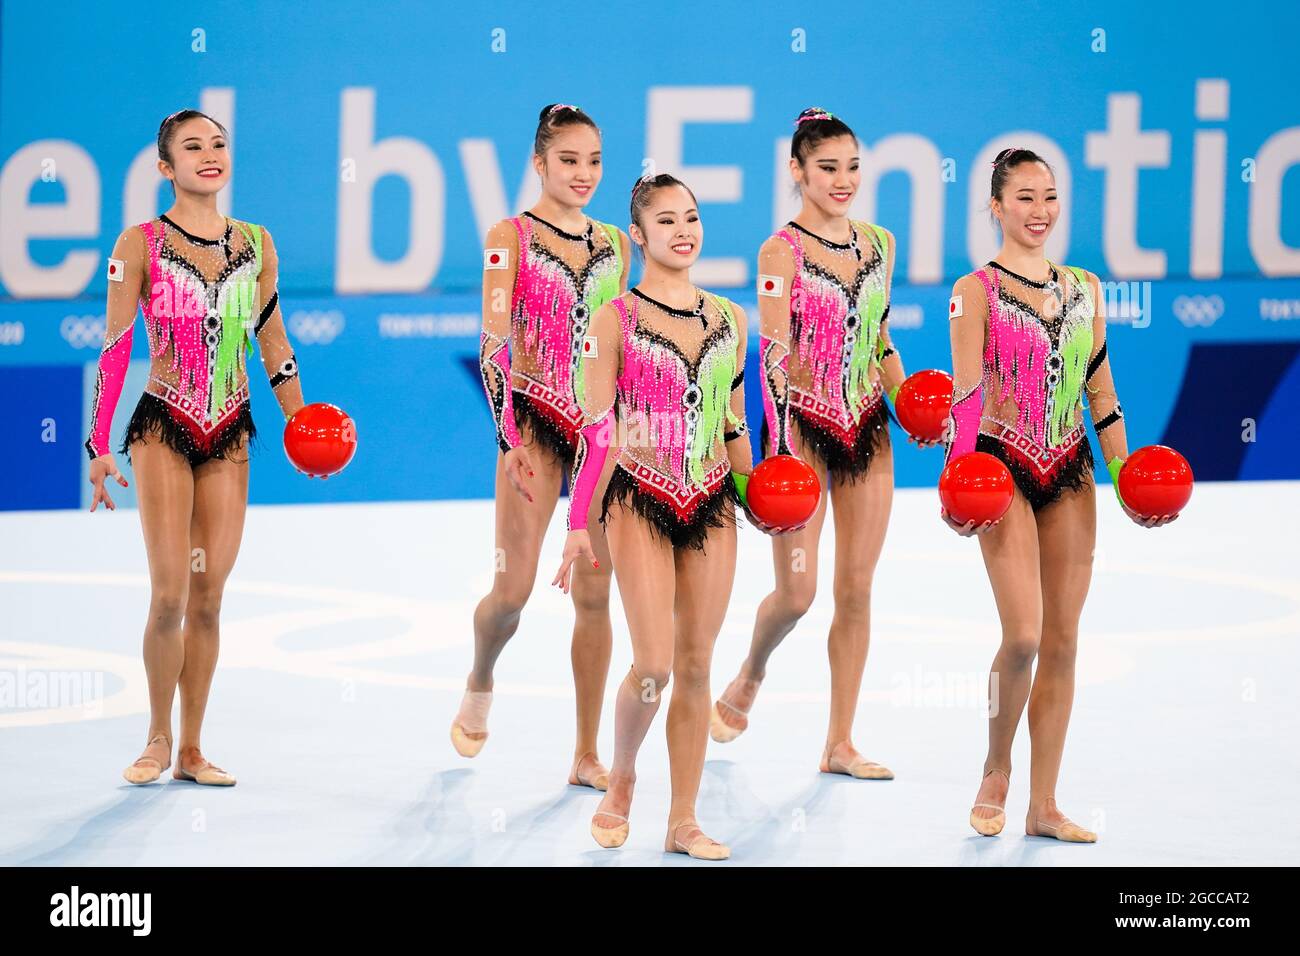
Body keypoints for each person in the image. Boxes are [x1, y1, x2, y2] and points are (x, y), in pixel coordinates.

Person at [944, 147, 1176, 842]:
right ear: (995, 206)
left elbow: (1099, 390)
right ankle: (995, 766)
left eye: (1049, 197)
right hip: (1000, 471)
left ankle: (1043, 804)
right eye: (1023, 198)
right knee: (1022, 634)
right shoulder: (975, 289)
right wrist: (957, 484)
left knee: (1065, 640)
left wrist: (1127, 474)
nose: (1039, 211)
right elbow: (966, 395)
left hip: (1070, 470)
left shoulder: (1084, 288)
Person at [552, 173, 779, 859]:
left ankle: (683, 820)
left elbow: (734, 422)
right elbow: (598, 431)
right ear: (640, 236)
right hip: (639, 499)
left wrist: (761, 495)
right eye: (666, 220)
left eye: (692, 218)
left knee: (697, 663)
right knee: (652, 662)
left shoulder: (730, 319)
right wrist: (575, 525)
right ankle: (622, 776)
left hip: (710, 499)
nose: (683, 230)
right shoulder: (612, 319)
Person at [87, 109, 306, 787]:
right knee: (170, 595)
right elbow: (117, 348)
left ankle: (192, 749)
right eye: (192, 147)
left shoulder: (257, 244)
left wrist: (302, 426)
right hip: (163, 427)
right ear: (165, 168)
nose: (209, 155)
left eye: (218, 143)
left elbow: (274, 345)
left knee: (210, 597)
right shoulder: (139, 244)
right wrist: (98, 445)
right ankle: (155, 738)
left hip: (230, 430)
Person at [453, 105, 630, 793]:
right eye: (568, 161)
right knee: (513, 591)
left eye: (593, 161)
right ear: (539, 163)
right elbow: (493, 344)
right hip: (529, 426)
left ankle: (587, 753)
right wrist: (506, 437)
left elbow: (625, 340)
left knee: (595, 594)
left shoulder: (617, 241)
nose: (583, 174)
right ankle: (480, 675)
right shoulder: (512, 236)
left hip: (597, 434)